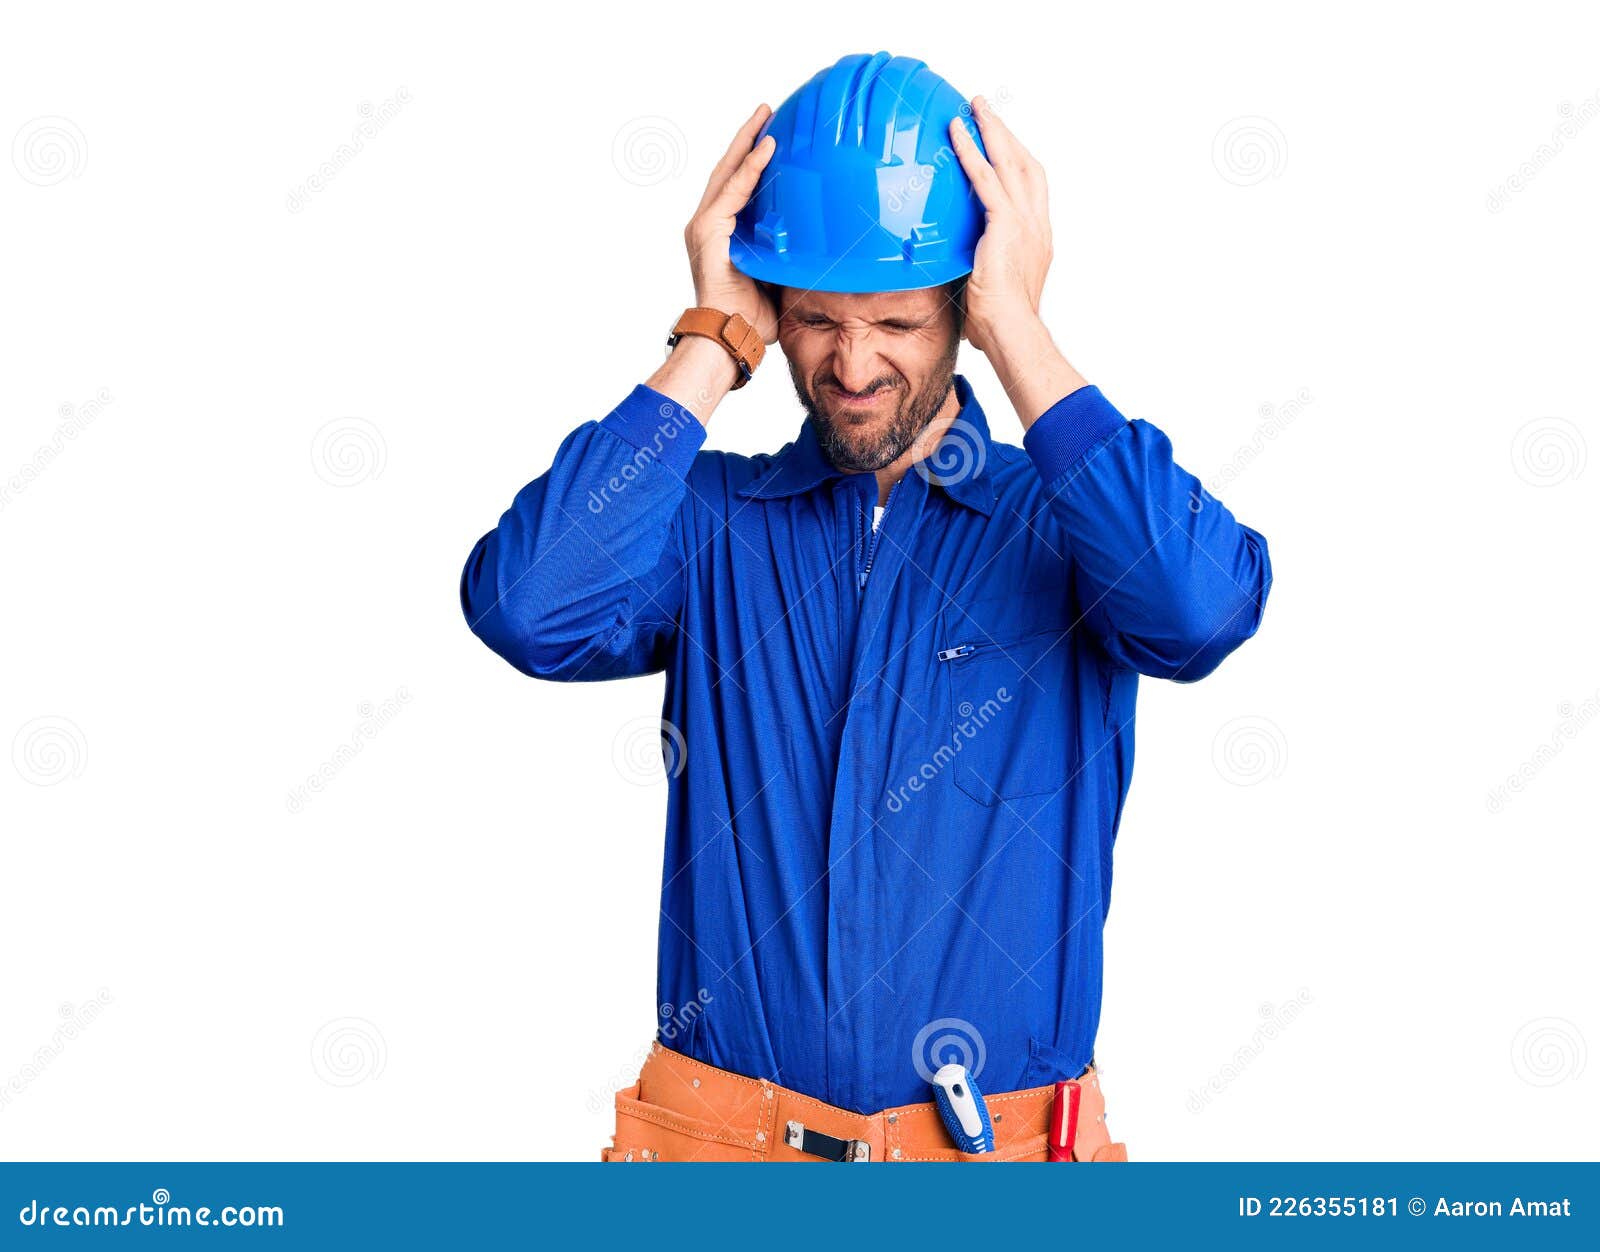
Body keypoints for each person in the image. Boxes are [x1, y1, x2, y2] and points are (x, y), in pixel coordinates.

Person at [461, 52, 1272, 1162]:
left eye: (897, 322)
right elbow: (526, 605)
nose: (851, 365)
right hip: (721, 1170)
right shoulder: (713, 525)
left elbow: (1203, 610)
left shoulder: (1068, 526)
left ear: (960, 305)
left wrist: (1021, 327)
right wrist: (710, 341)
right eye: (813, 320)